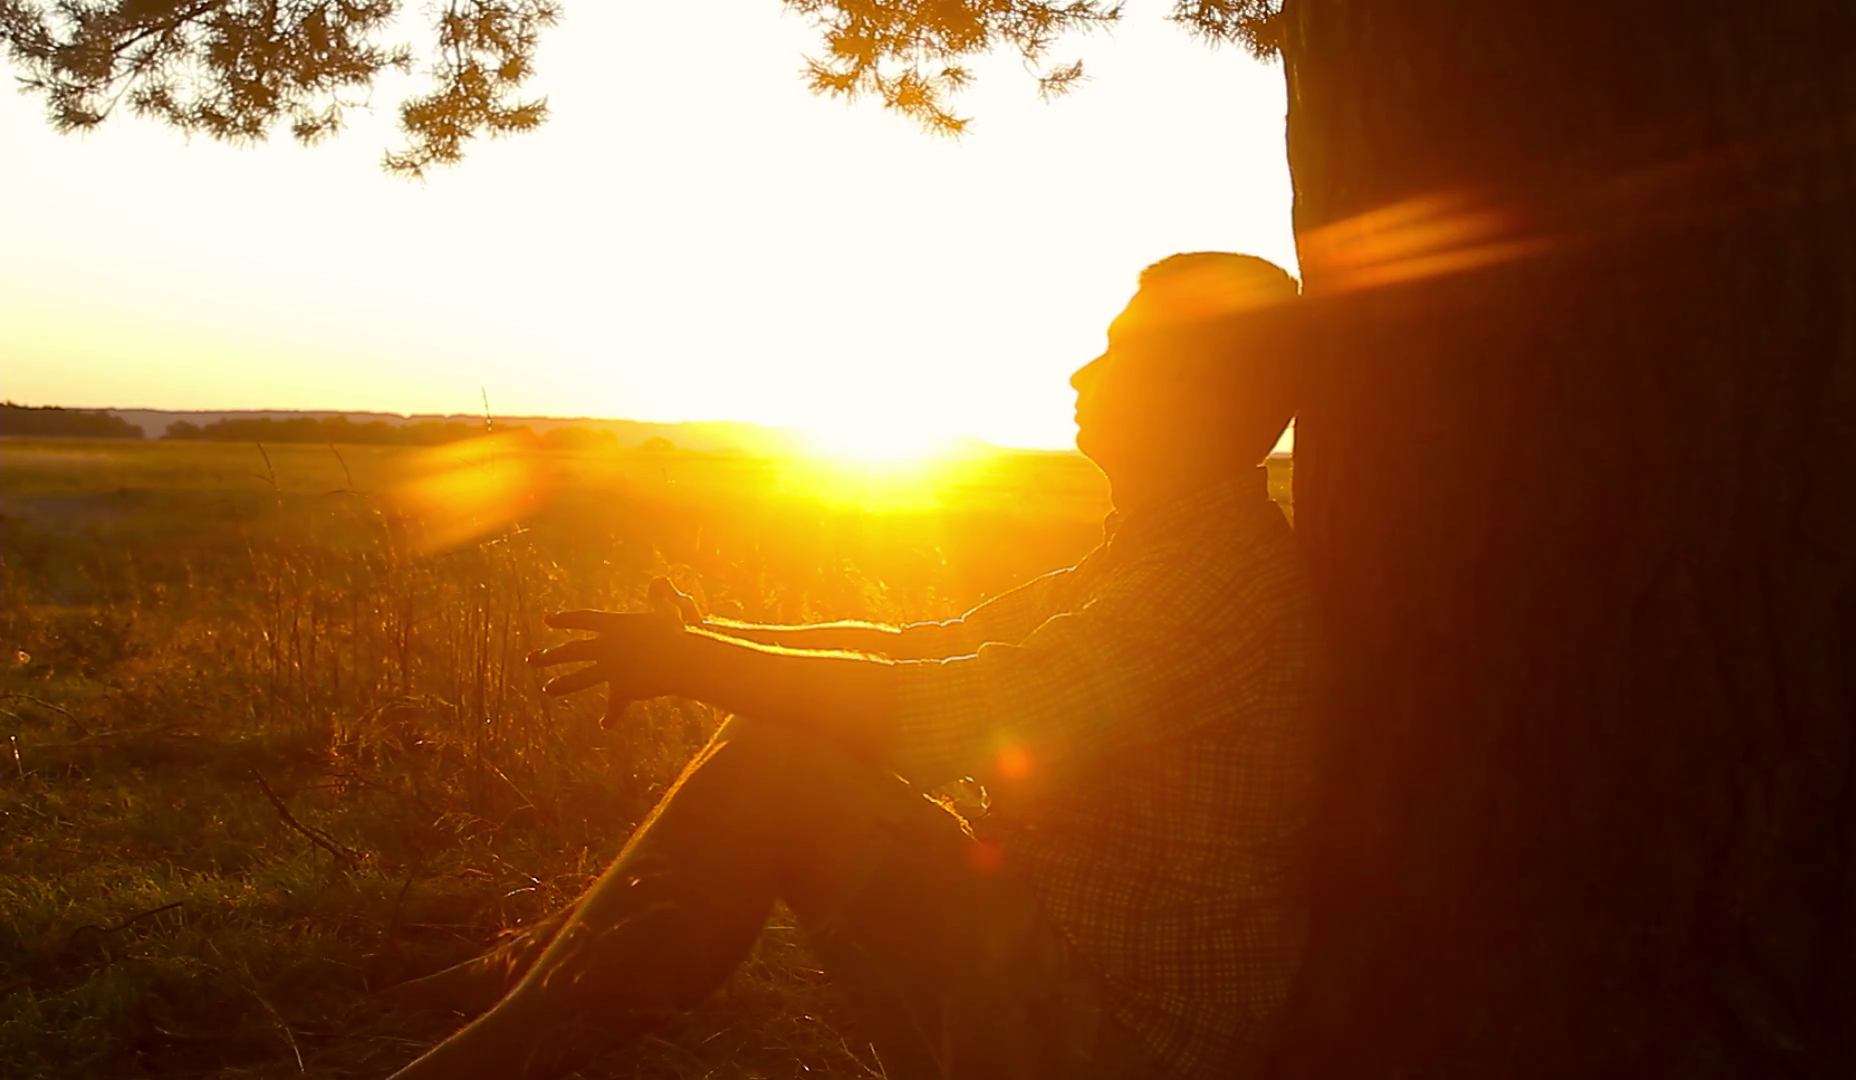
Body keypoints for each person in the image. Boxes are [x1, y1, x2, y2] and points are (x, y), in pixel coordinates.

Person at [380, 252, 1325, 1080]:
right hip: (1059, 969)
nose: (1085, 370)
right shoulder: (1159, 553)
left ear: (1200, 387)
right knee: (776, 739)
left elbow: (949, 710)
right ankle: (522, 988)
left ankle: (498, 1037)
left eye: (1124, 352)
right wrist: (709, 637)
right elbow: (924, 647)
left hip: (1116, 1042)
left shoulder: (1215, 581)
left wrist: (695, 660)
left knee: (782, 765)